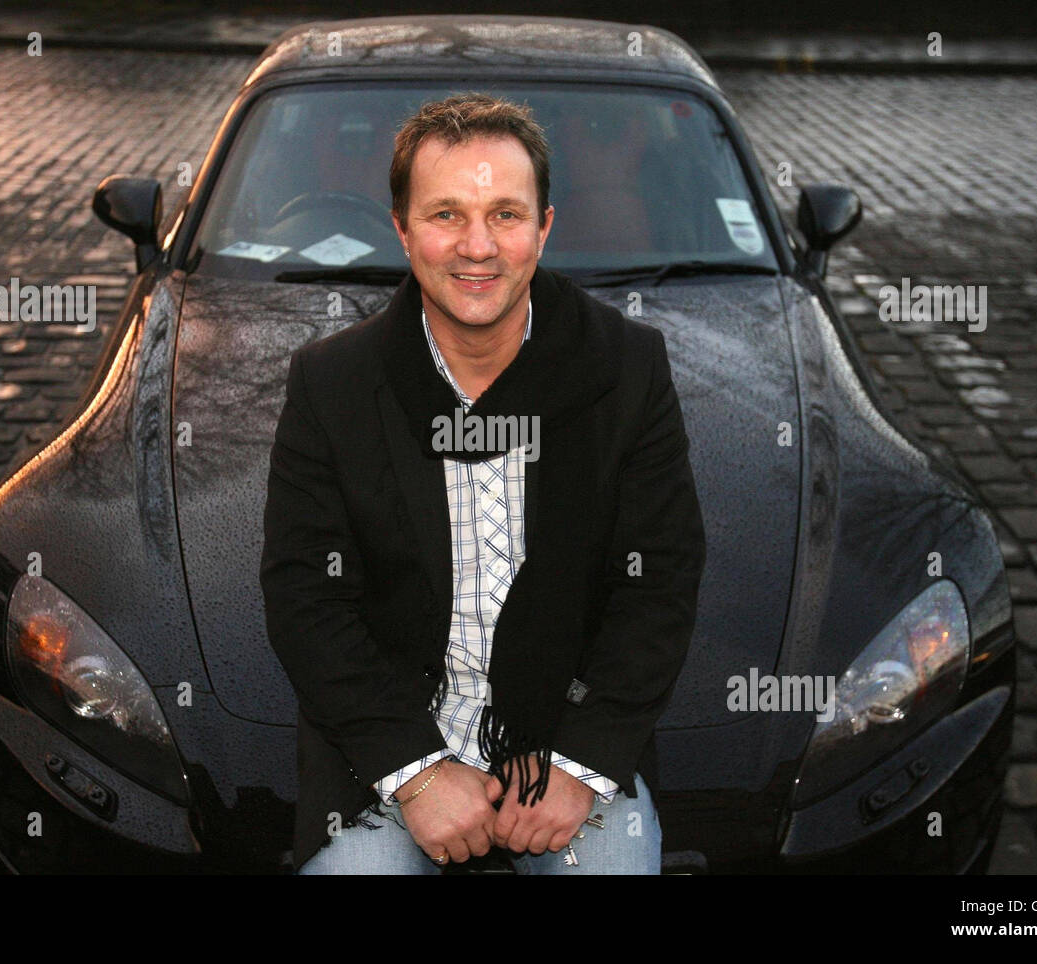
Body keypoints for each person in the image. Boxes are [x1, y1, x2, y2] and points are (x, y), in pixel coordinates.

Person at [260, 92, 705, 874]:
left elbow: (658, 583)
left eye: (505, 214)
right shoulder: (332, 384)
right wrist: (415, 771)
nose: (477, 247)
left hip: (564, 751)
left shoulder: (628, 368)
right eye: (445, 215)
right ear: (401, 230)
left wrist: (582, 767)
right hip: (389, 763)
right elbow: (306, 597)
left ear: (545, 227)